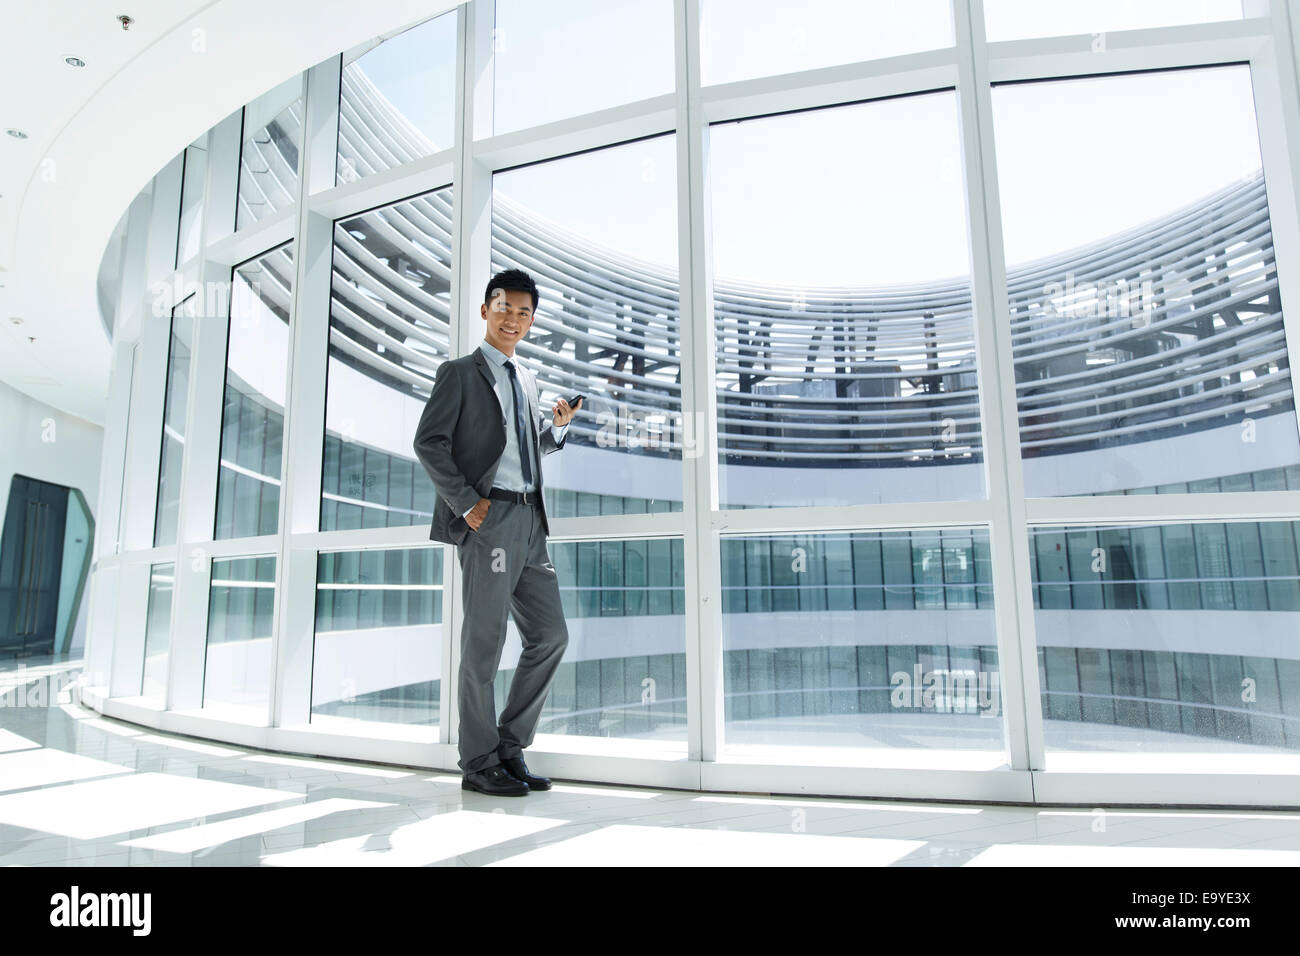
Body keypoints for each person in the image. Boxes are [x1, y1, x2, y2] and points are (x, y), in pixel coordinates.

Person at [412, 268, 581, 796]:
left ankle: (510, 745)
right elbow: (429, 443)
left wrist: (557, 428)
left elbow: (527, 449)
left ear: (531, 321)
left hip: (531, 521)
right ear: (486, 310)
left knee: (550, 636)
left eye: (524, 312)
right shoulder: (458, 373)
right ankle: (478, 761)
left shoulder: (526, 379)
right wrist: (467, 506)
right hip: (491, 520)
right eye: (504, 307)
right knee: (484, 644)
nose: (513, 318)